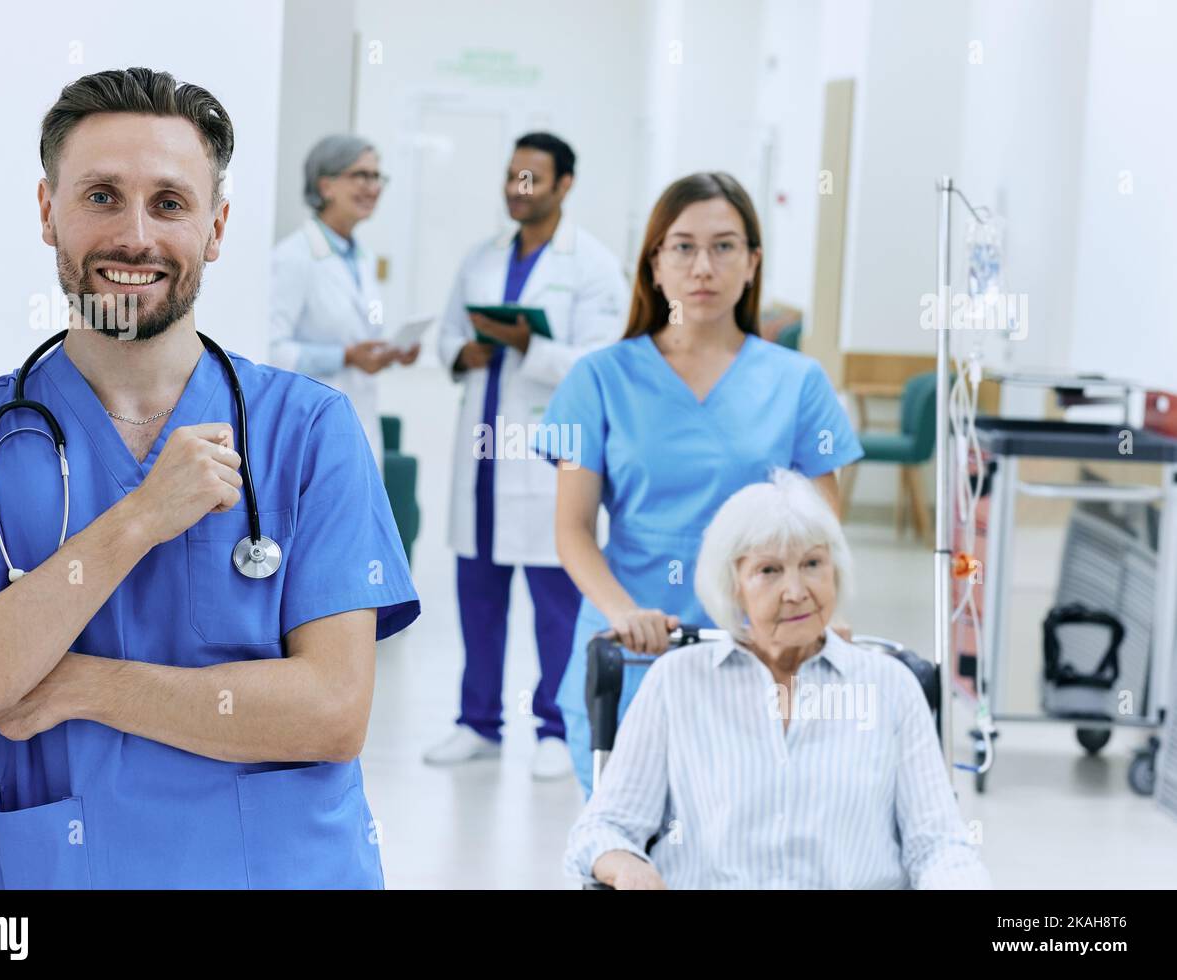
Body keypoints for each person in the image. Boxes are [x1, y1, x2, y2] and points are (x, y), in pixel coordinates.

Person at [0, 68, 419, 889]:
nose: (134, 237)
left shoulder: (308, 429)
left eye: (170, 204)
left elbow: (332, 711)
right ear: (49, 212)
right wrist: (140, 519)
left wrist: (78, 685)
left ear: (215, 228)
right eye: (101, 195)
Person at [538, 172, 864, 795]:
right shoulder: (598, 380)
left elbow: (822, 534)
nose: (703, 267)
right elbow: (573, 530)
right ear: (655, 264)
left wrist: (817, 617)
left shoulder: (799, 383)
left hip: (759, 649)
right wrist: (624, 614)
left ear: (752, 263)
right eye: (682, 246)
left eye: (724, 246)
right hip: (631, 649)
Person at [563, 470, 991, 889]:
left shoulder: (891, 688)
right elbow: (605, 826)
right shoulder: (677, 683)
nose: (796, 591)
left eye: (812, 564)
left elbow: (938, 845)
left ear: (835, 570)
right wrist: (624, 865)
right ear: (733, 586)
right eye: (769, 571)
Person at [423, 133, 627, 779]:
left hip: (545, 456)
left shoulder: (592, 265)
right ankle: (477, 721)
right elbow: (448, 330)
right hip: (481, 451)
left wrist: (527, 346)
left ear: (564, 185)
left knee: (555, 602)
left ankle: (556, 724)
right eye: (512, 176)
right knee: (477, 595)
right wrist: (463, 352)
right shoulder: (480, 258)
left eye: (532, 178)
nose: (518, 188)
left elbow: (602, 361)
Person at [269, 134, 419, 468]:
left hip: (361, 423)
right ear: (326, 186)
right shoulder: (294, 257)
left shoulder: (363, 258)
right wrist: (345, 357)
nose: (373, 187)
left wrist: (391, 349)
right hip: (312, 427)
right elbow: (271, 350)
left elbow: (372, 317)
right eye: (361, 175)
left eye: (377, 176)